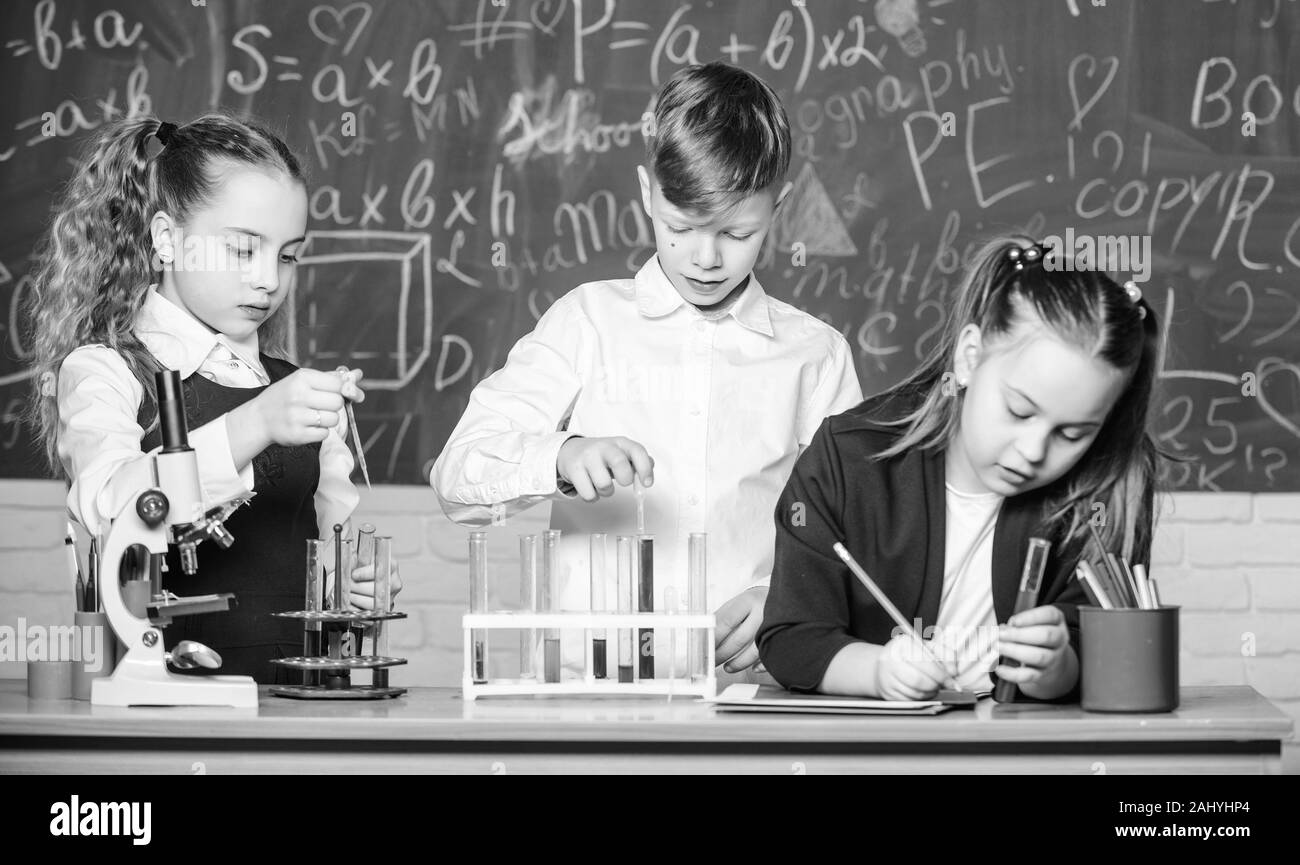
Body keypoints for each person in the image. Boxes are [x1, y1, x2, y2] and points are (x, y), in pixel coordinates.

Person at [432, 62, 863, 678]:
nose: (707, 259)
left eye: (739, 233)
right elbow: (455, 481)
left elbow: (853, 534)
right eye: (680, 227)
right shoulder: (586, 322)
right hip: (587, 695)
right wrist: (559, 456)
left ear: (780, 206)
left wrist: (788, 597)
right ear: (646, 193)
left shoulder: (815, 355)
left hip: (746, 691)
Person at [28, 114, 393, 683]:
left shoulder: (293, 392)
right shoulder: (107, 371)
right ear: (168, 239)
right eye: (244, 250)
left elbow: (327, 552)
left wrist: (352, 586)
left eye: (288, 255)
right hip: (167, 709)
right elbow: (110, 515)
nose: (269, 279)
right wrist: (257, 423)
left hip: (305, 705)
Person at [758, 236, 1161, 700]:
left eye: (1072, 435)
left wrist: (1060, 669)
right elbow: (791, 637)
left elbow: (1110, 653)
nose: (1033, 450)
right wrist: (878, 671)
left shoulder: (1108, 486)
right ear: (970, 356)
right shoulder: (849, 457)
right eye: (1019, 410)